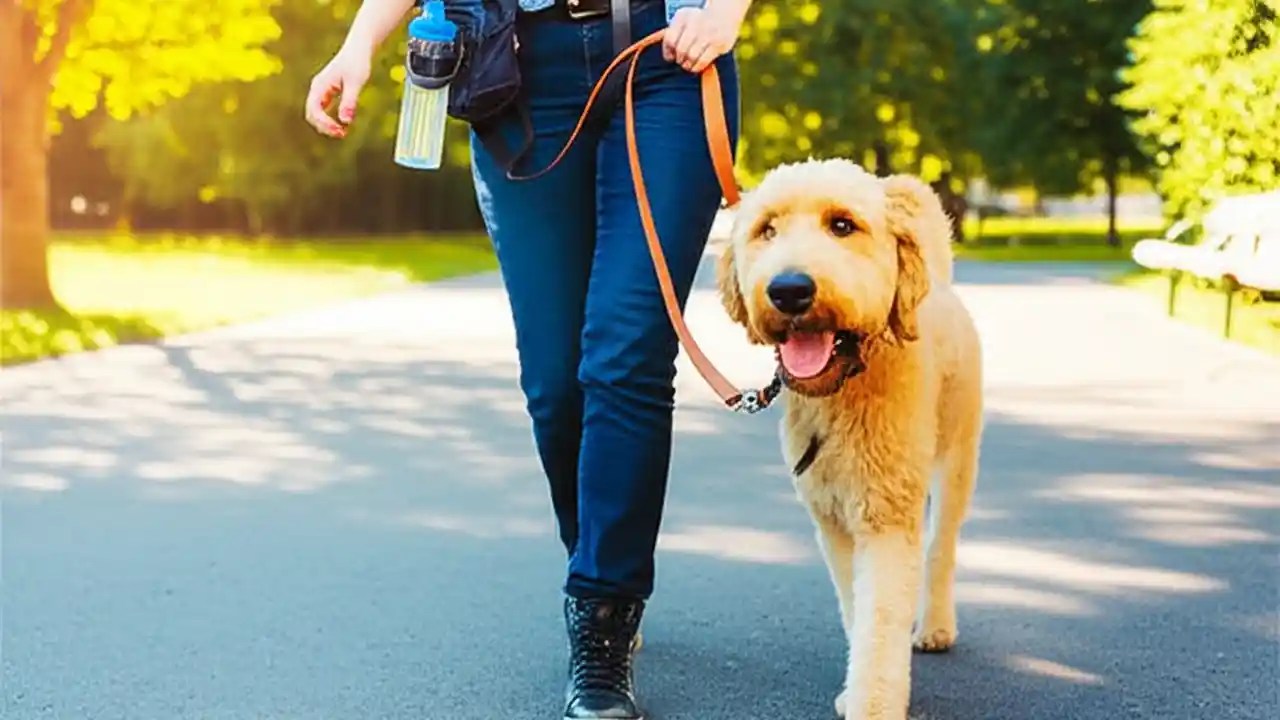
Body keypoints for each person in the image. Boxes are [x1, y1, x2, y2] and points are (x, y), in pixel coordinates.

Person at [305, 1, 750, 717]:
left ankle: (602, 610)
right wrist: (360, 42)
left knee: (627, 353)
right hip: (516, 65)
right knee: (555, 383)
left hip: (669, 55)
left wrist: (726, 13)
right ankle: (597, 554)